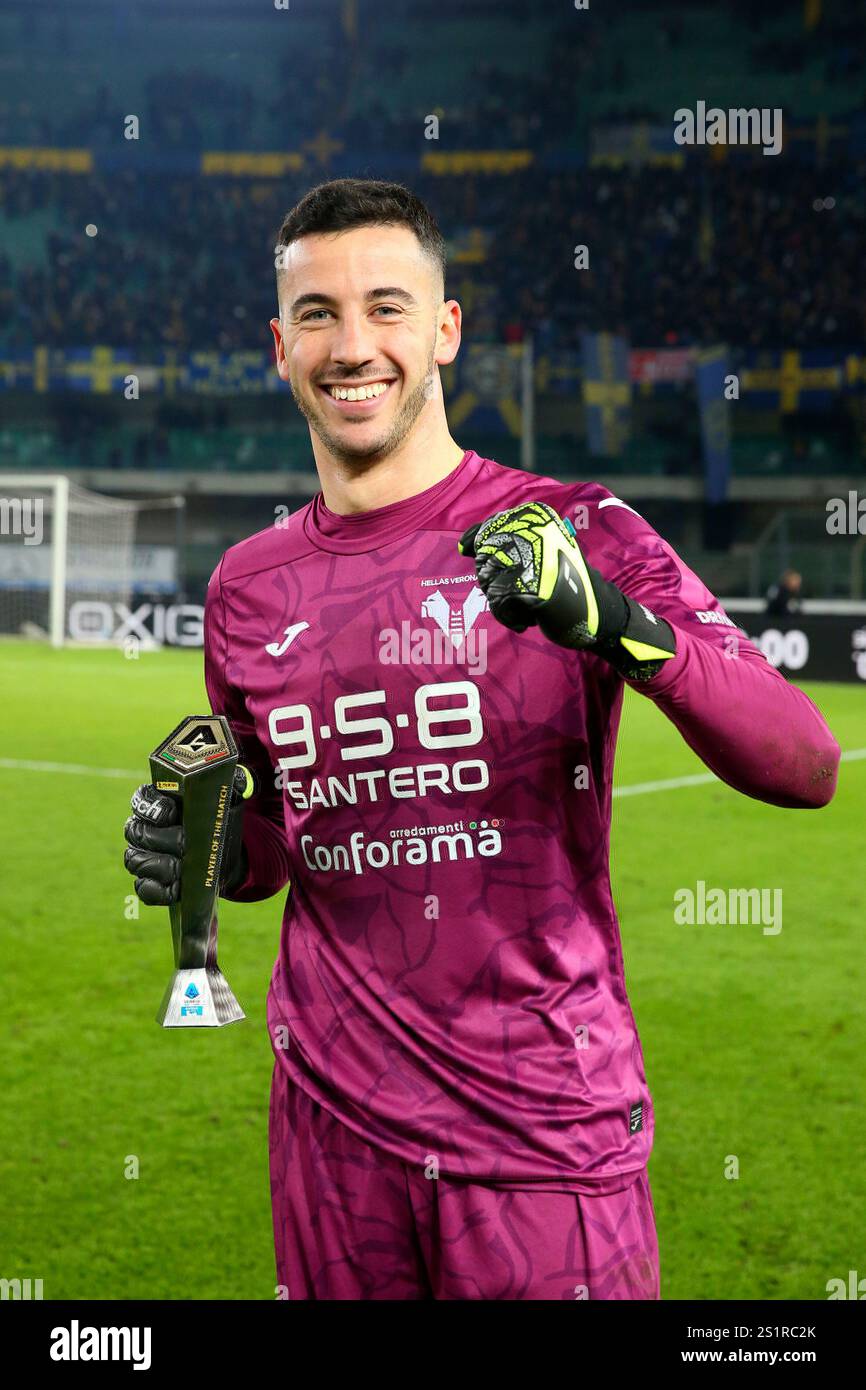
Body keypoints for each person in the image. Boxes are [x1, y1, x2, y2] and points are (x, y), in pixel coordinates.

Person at [123, 178, 840, 1301]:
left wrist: (611, 621)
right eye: (318, 314)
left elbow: (802, 763)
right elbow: (274, 844)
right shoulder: (245, 591)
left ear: (446, 329)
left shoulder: (576, 527)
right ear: (278, 344)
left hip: (544, 1141)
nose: (352, 345)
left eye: (387, 306)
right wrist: (210, 853)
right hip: (328, 1139)